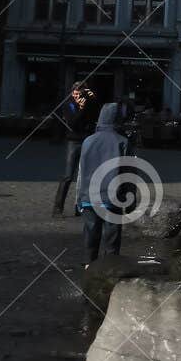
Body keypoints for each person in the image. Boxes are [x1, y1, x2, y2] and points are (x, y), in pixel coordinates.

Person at [74, 102, 132, 266]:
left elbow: (81, 172)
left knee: (90, 236)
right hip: (112, 199)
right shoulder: (122, 142)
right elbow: (128, 174)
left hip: (88, 197)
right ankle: (108, 274)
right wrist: (130, 200)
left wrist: (78, 198)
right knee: (111, 240)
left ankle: (88, 267)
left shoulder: (87, 141)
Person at [52, 82, 97, 215]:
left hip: (86, 140)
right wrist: (81, 108)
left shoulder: (89, 102)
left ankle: (80, 206)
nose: (79, 95)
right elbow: (72, 123)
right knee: (68, 175)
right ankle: (58, 207)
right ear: (73, 92)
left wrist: (91, 99)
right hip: (73, 141)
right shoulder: (69, 104)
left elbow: (95, 114)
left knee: (84, 176)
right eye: (77, 92)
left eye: (82, 92)